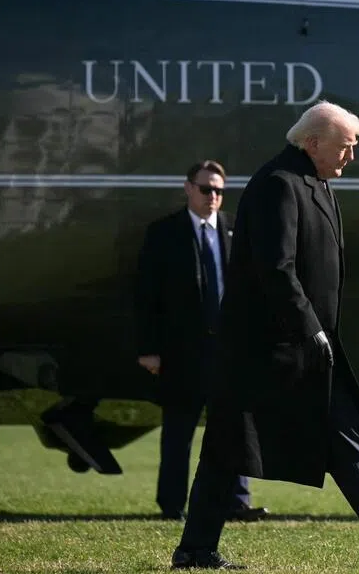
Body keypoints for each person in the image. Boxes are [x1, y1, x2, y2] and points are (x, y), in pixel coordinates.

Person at [171, 103, 359, 570]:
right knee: (228, 445)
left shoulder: (313, 180)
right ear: (313, 142)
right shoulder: (280, 184)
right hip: (266, 347)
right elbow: (276, 268)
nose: (350, 157)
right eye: (345, 147)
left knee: (341, 433)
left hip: (302, 344)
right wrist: (308, 327)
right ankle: (195, 549)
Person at [136, 160, 269, 523]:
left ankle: (237, 502)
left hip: (229, 353)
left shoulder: (233, 231)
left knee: (236, 432)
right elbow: (146, 296)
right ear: (188, 188)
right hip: (182, 353)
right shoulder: (164, 233)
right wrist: (148, 349)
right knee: (178, 434)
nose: (214, 197)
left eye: (220, 191)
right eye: (207, 189)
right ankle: (172, 505)